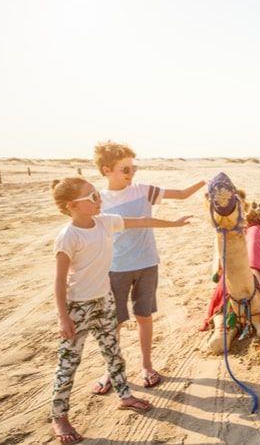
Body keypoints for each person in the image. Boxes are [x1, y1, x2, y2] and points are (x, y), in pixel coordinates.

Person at [50, 177, 192, 444]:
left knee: (113, 354)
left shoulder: (105, 222)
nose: (98, 199)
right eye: (92, 197)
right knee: (68, 364)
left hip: (104, 301)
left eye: (97, 193)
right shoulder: (68, 237)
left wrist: (173, 224)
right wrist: (63, 317)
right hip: (77, 308)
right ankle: (59, 418)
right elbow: (59, 281)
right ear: (72, 206)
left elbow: (142, 221)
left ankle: (125, 396)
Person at [91, 141, 205, 393]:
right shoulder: (99, 200)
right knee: (114, 322)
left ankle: (147, 366)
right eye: (125, 169)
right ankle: (111, 370)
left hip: (147, 264)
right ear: (106, 170)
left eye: (134, 168)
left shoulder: (143, 190)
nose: (131, 173)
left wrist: (206, 180)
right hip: (115, 268)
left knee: (144, 316)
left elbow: (182, 194)